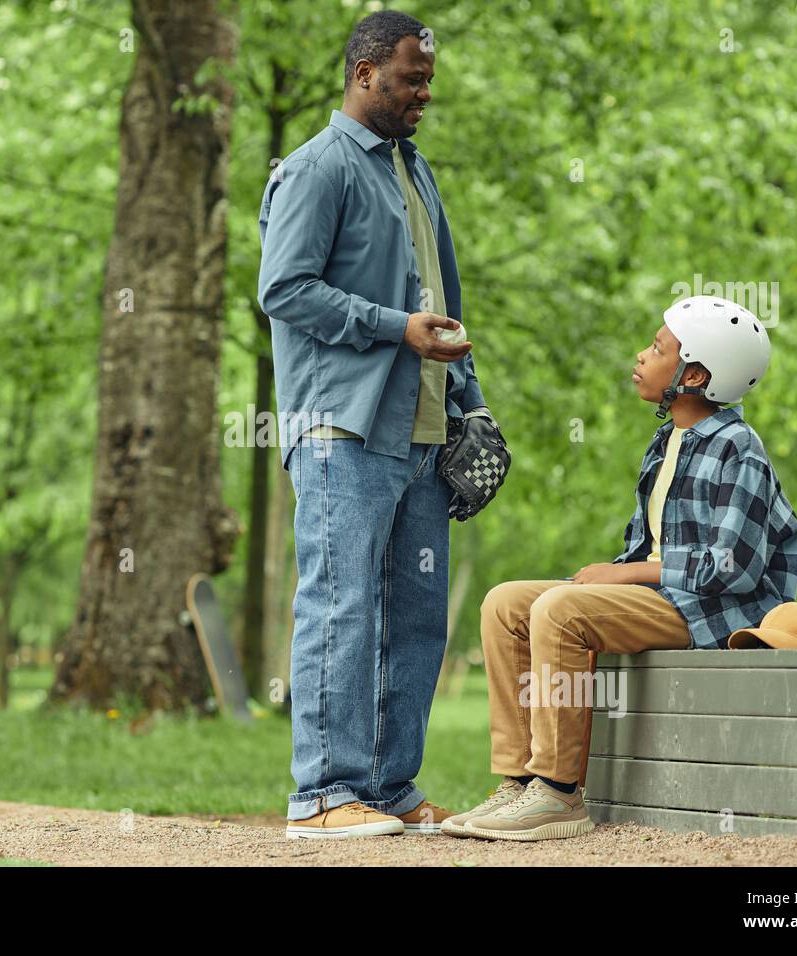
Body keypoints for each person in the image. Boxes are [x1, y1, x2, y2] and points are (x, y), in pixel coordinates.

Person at [446, 294, 797, 842]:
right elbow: (647, 548)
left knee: (561, 611)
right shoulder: (667, 441)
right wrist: (614, 573)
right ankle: (518, 783)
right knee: (505, 603)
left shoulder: (739, 448)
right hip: (665, 598)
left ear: (696, 374)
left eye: (658, 348)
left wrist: (625, 576)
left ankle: (558, 793)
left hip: (713, 612)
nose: (641, 355)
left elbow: (735, 569)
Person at [257, 10, 492, 838]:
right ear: (364, 74)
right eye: (411, 78)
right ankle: (322, 793)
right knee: (343, 605)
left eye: (429, 78)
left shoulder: (414, 170)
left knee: (420, 615)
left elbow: (444, 308)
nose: (425, 92)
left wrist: (474, 406)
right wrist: (394, 327)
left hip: (423, 430)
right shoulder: (316, 169)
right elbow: (283, 289)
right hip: (341, 429)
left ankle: (389, 788)